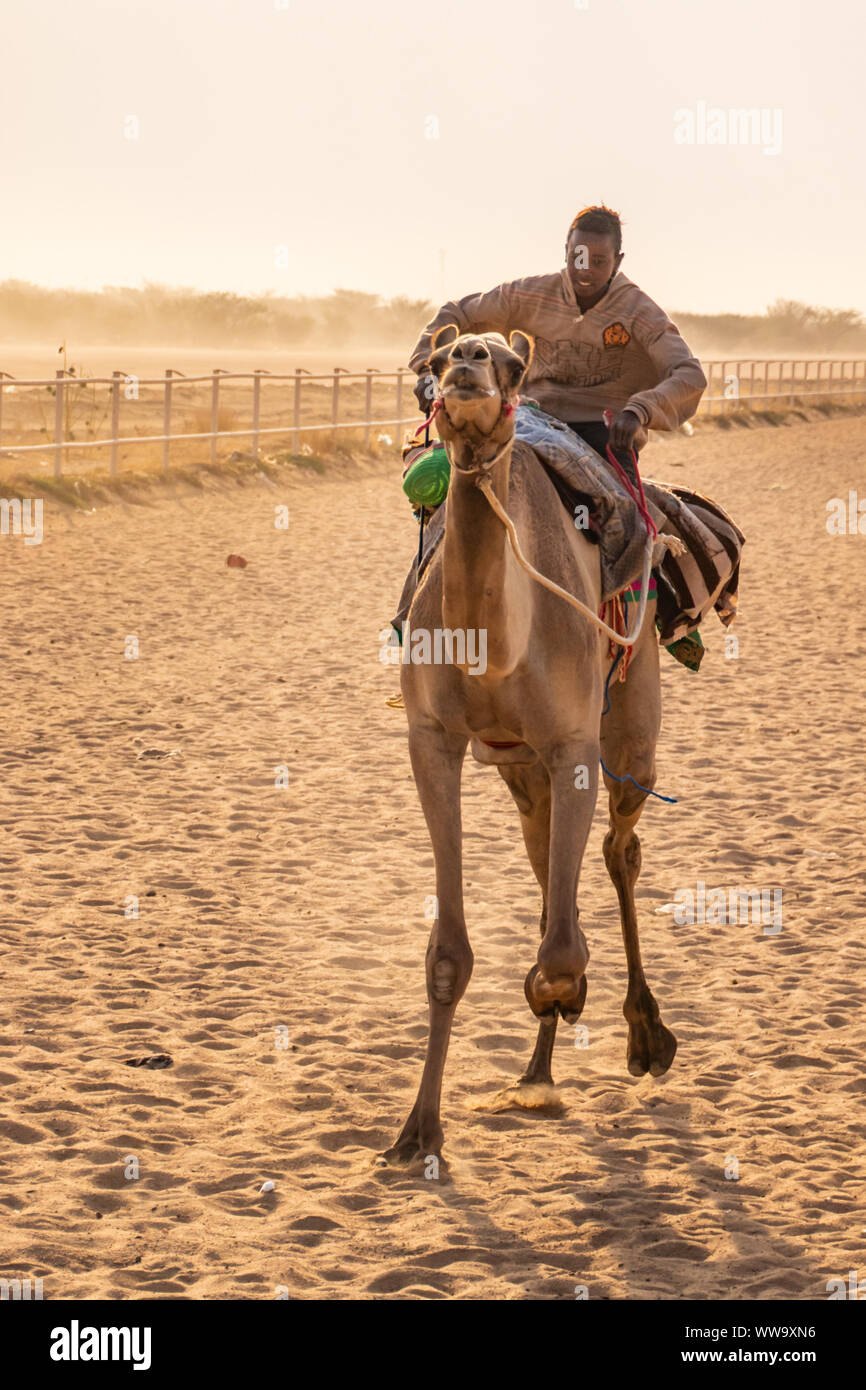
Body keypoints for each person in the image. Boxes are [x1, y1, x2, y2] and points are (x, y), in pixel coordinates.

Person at [409, 204, 706, 485]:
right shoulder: (528, 294)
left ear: (618, 260)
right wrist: (427, 370)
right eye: (578, 256)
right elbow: (457, 313)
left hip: (603, 433)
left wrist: (638, 411)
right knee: (440, 485)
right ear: (565, 252)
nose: (585, 269)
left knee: (624, 523)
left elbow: (688, 374)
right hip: (529, 419)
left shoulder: (639, 312)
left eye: (599, 261)